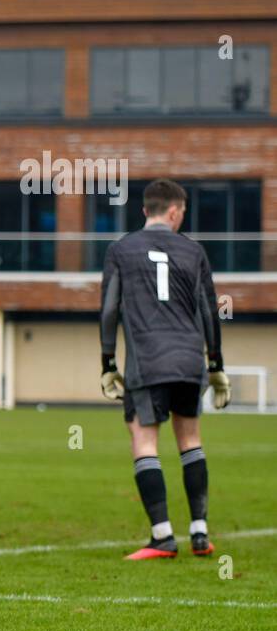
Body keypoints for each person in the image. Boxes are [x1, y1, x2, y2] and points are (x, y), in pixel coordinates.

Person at [99, 178, 230, 560]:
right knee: (190, 440)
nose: (182, 218)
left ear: (146, 210)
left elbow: (109, 310)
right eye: (183, 213)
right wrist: (216, 364)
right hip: (189, 360)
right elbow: (209, 310)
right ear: (173, 211)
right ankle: (201, 533)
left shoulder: (120, 249)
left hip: (147, 360)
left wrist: (107, 363)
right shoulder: (194, 250)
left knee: (144, 441)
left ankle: (162, 537)